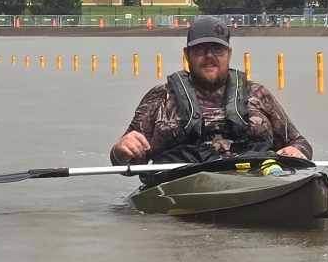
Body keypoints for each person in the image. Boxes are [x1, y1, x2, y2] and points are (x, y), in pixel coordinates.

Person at [111, 16, 312, 165]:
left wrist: (296, 150)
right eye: (200, 50)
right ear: (187, 55)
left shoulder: (258, 94)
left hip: (255, 181)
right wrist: (121, 149)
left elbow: (299, 142)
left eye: (217, 49)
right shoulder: (159, 98)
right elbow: (125, 161)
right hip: (182, 185)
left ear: (229, 54)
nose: (209, 56)